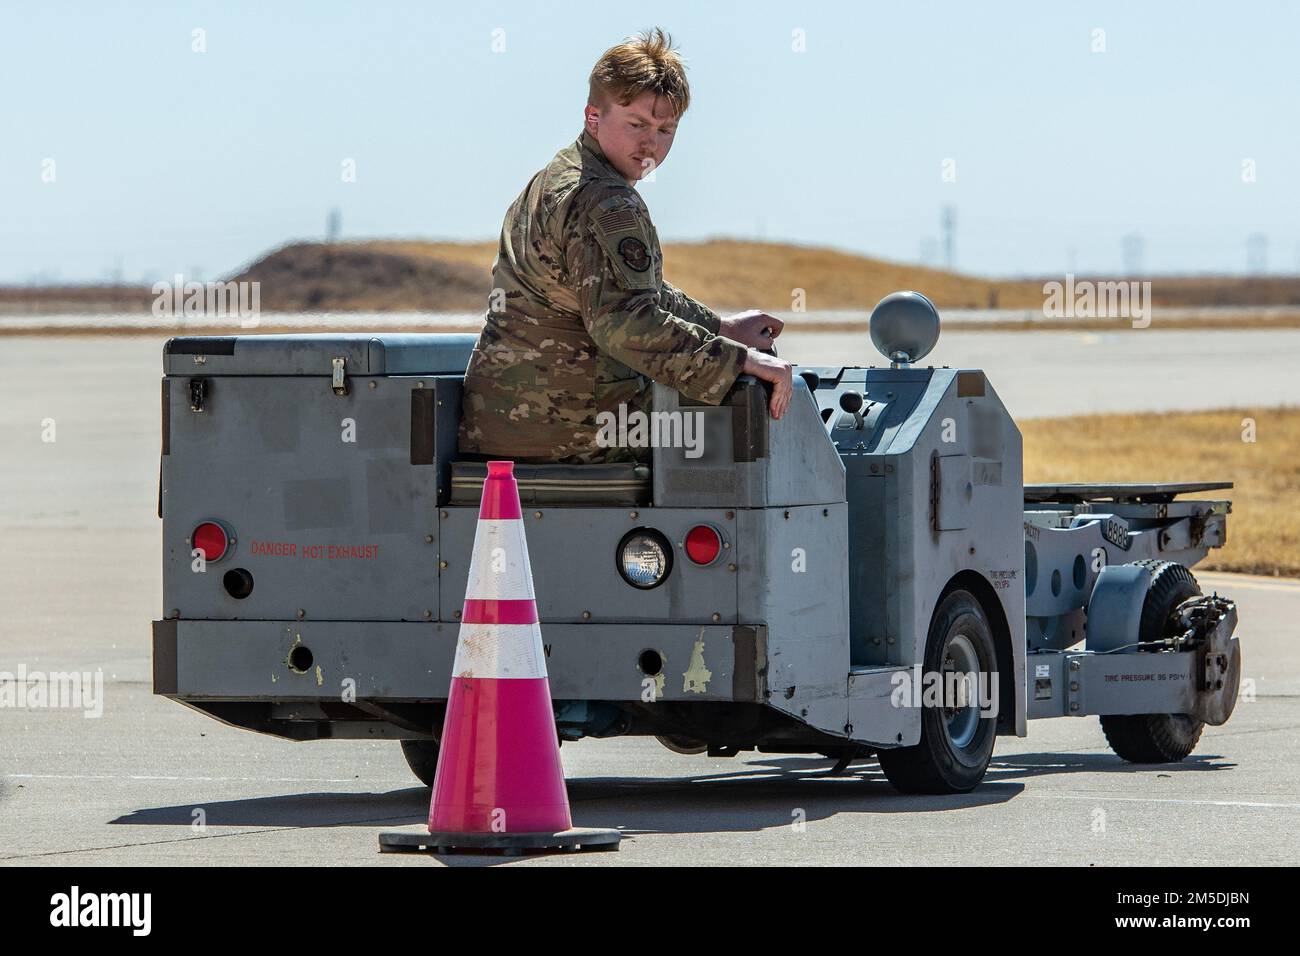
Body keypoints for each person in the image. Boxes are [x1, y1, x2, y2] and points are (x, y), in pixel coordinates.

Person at [458, 28, 794, 464]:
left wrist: (720, 328)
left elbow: (630, 287)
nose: (651, 144)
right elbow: (623, 321)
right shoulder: (607, 200)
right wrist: (735, 362)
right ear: (593, 117)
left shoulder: (558, 175)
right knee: (746, 422)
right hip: (575, 432)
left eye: (665, 129)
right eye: (637, 125)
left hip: (500, 424)